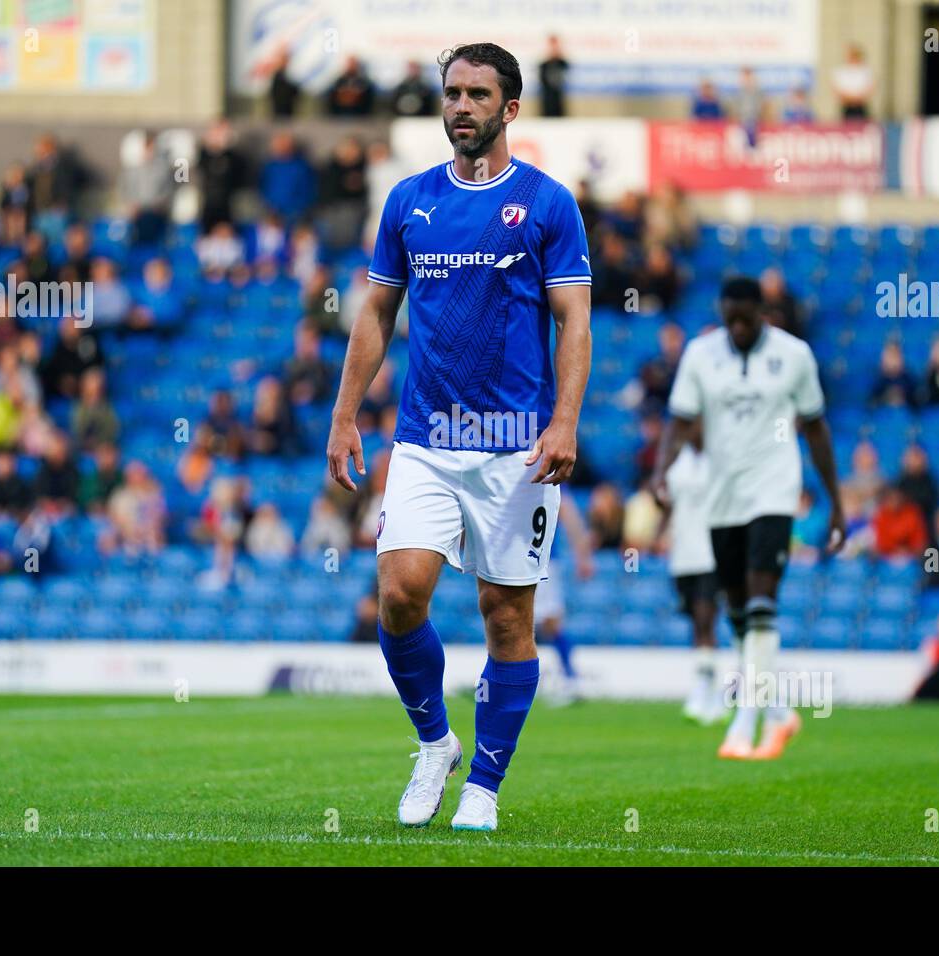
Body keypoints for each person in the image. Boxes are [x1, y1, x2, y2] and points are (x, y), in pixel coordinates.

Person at [326, 42, 592, 832]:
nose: (461, 107)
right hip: (426, 438)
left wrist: (566, 419)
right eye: (452, 93)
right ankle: (435, 742)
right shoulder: (409, 202)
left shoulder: (547, 204)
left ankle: (484, 784)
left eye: (479, 94)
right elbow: (376, 314)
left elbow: (574, 318)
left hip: (516, 444)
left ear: (511, 108)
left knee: (506, 617)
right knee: (401, 594)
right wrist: (344, 414)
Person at [653, 277, 845, 760]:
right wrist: (660, 473)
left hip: (773, 492)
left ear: (764, 313)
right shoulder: (701, 356)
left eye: (746, 318)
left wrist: (836, 501)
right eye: (730, 318)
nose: (737, 328)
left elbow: (817, 428)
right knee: (740, 615)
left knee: (762, 604)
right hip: (722, 498)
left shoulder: (794, 355)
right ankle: (779, 711)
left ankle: (745, 722)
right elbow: (679, 420)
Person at [663, 442, 724, 724]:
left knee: (705, 620)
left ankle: (706, 692)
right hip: (682, 555)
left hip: (711, 554)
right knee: (695, 622)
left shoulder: (719, 456)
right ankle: (708, 687)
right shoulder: (677, 460)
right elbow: (666, 500)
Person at [532, 496, 595, 705]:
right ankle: (501, 682)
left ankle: (571, 679)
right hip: (521, 563)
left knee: (550, 622)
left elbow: (571, 518)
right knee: (517, 622)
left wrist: (583, 557)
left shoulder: (549, 481)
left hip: (544, 563)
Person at [832, 44, 874, 120]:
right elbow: (837, 91)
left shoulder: (865, 71)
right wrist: (850, 99)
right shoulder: (841, 71)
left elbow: (869, 90)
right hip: (846, 107)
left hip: (861, 107)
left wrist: (857, 99)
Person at [538, 35, 570, 117]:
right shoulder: (544, 65)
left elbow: (566, 67)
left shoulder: (561, 63)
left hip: (558, 98)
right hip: (547, 99)